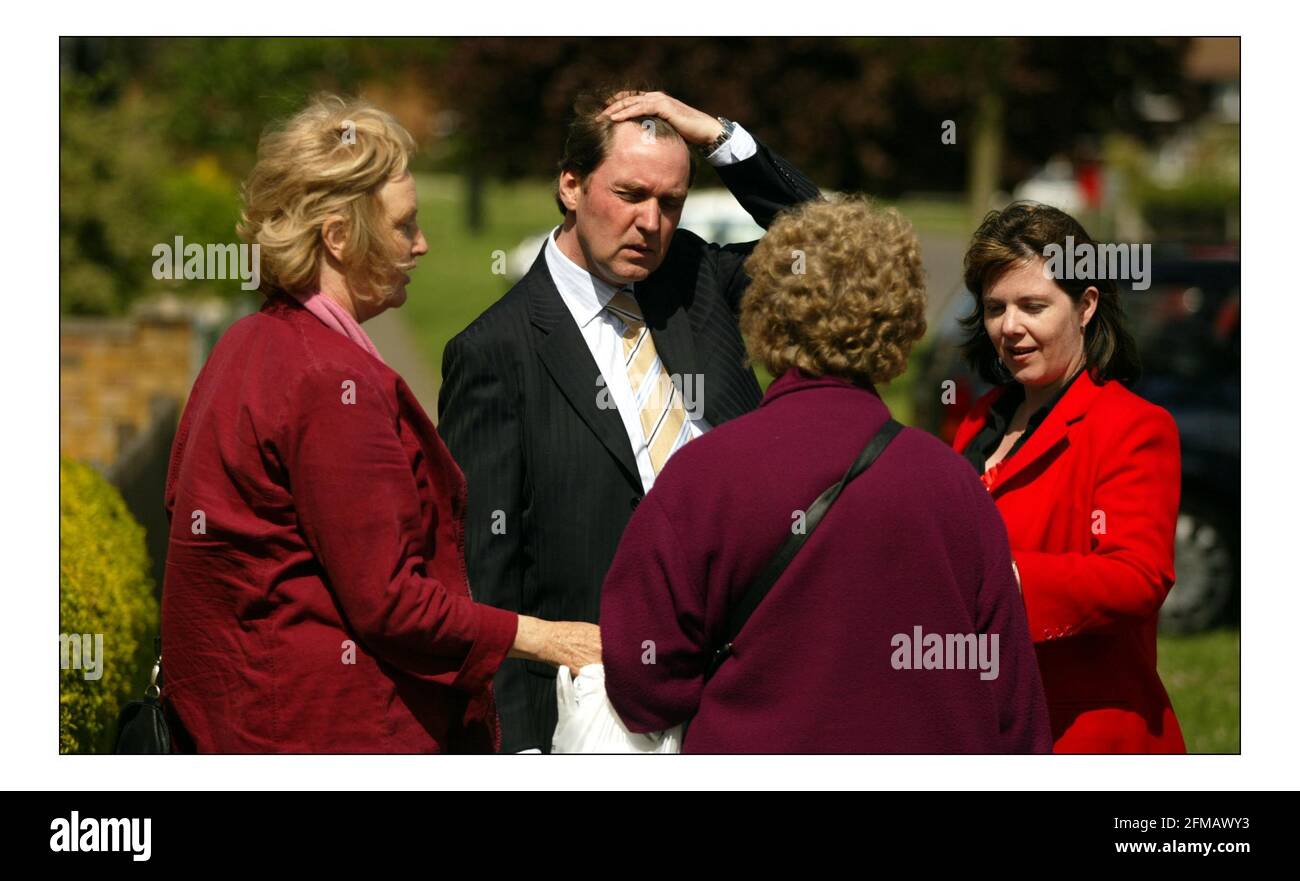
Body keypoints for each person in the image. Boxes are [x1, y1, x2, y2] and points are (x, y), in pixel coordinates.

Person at [161, 95, 599, 753]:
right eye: (403, 226)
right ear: (338, 235)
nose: (420, 244)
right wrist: (550, 637)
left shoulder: (247, 343)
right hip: (331, 737)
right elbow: (391, 602)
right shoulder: (329, 381)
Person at [437, 86, 822, 752]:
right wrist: (520, 746)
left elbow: (832, 249)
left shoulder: (697, 277)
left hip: (750, 680)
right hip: (597, 707)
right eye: (630, 194)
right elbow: (486, 571)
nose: (651, 221)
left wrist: (718, 136)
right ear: (570, 185)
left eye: (670, 202)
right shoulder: (495, 351)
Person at [600, 198, 1052, 753]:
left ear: (764, 312)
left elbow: (644, 687)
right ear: (902, 321)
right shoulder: (955, 487)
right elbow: (1016, 716)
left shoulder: (701, 477)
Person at [950, 201, 1185, 753]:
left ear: (1085, 306)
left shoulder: (1134, 426)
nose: (1010, 328)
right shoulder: (977, 422)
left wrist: (1003, 581)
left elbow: (1138, 577)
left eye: (1034, 306)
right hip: (985, 729)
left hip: (1086, 739)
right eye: (995, 308)